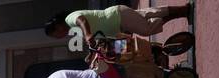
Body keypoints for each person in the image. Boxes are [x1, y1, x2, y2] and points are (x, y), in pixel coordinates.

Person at [44, 6, 194, 44]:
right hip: (119, 17)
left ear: (57, 27)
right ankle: (183, 10)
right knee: (150, 13)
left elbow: (81, 19)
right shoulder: (73, 29)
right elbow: (97, 35)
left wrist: (88, 34)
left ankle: (180, 12)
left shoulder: (70, 19)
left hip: (118, 18)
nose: (58, 37)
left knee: (147, 28)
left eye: (55, 35)